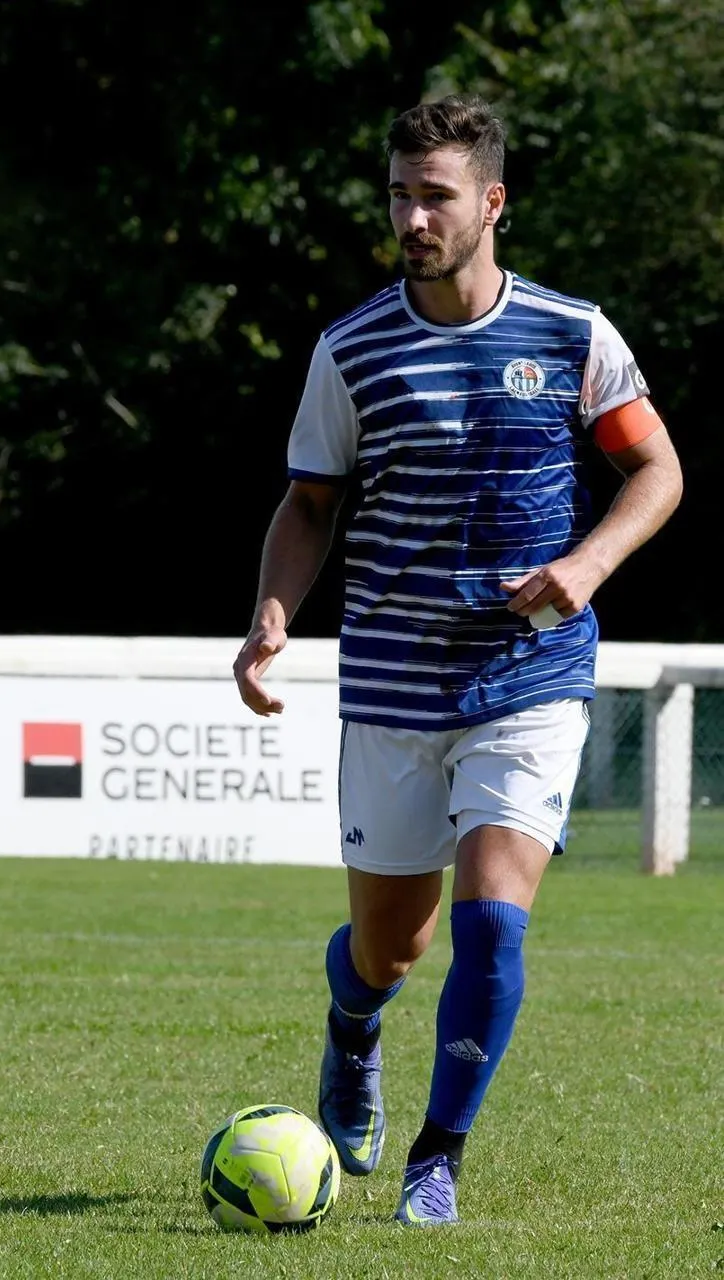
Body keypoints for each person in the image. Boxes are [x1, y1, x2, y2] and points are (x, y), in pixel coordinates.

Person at [231, 93, 683, 1226]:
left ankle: (440, 1153)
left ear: (492, 202)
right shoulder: (354, 347)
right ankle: (353, 1026)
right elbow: (310, 500)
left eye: (435, 195)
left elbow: (659, 474)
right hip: (392, 680)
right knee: (395, 944)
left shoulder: (574, 334)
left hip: (530, 674)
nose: (413, 215)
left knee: (492, 914)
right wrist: (272, 613)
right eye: (399, 193)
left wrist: (585, 566)